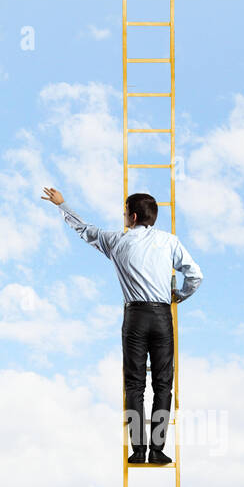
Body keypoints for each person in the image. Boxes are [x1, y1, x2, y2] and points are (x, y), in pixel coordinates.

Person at [42, 187, 202, 465]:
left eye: (126, 211)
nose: (124, 215)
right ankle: (157, 449)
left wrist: (62, 205)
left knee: (135, 385)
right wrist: (179, 295)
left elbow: (86, 230)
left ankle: (138, 450)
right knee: (163, 385)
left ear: (134, 215)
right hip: (163, 316)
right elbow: (195, 276)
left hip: (135, 318)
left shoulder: (117, 241)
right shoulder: (170, 242)